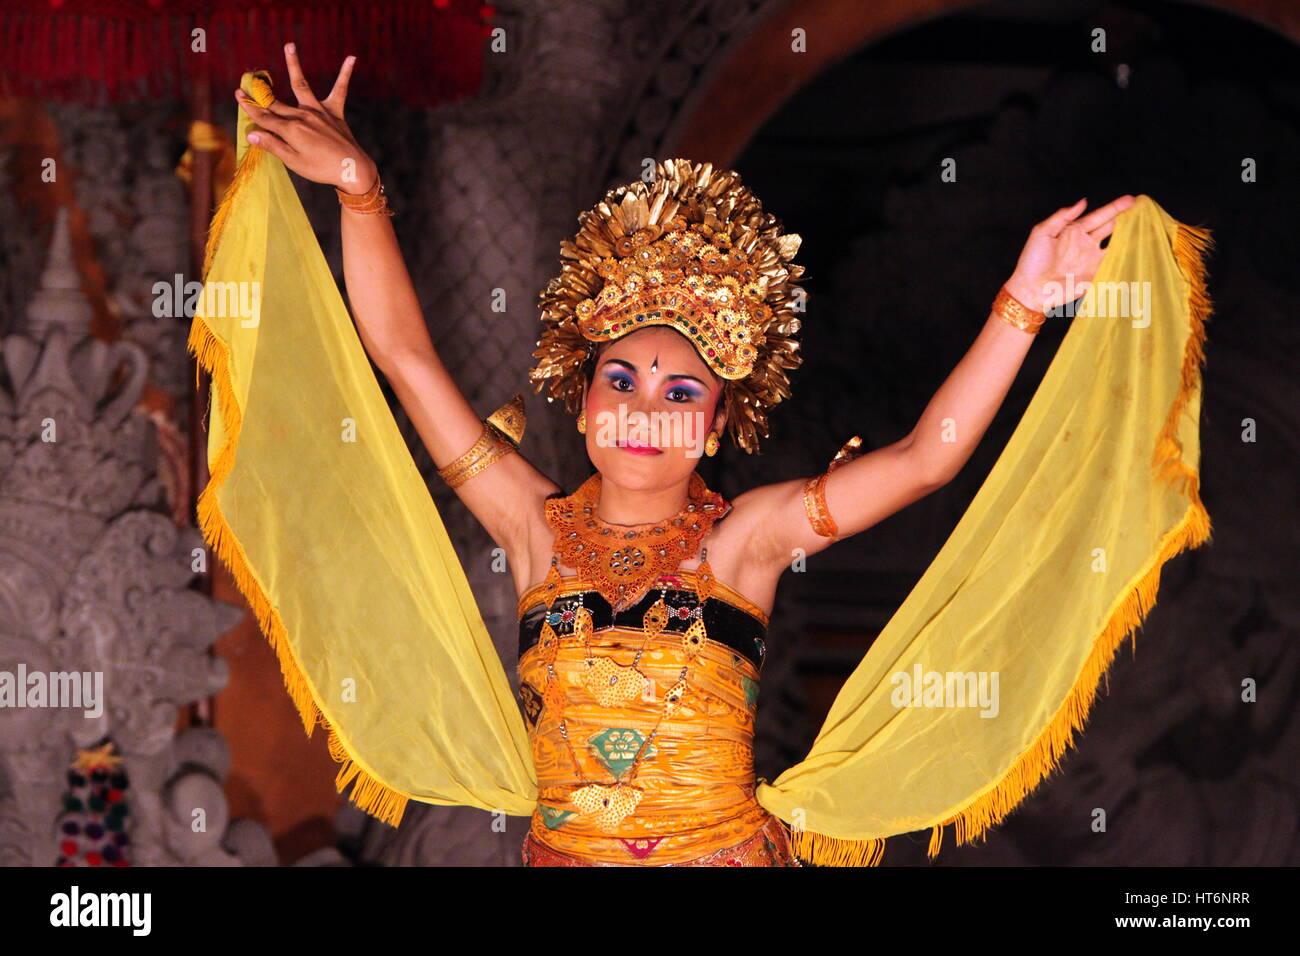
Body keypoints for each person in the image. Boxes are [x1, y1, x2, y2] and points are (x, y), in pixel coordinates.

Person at [211, 44, 1208, 866]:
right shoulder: (529, 520)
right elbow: (404, 359)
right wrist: (357, 187)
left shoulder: (745, 539)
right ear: (585, 394)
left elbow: (921, 461)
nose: (646, 409)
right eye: (622, 382)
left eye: (680, 391)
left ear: (721, 423)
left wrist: (1024, 305)